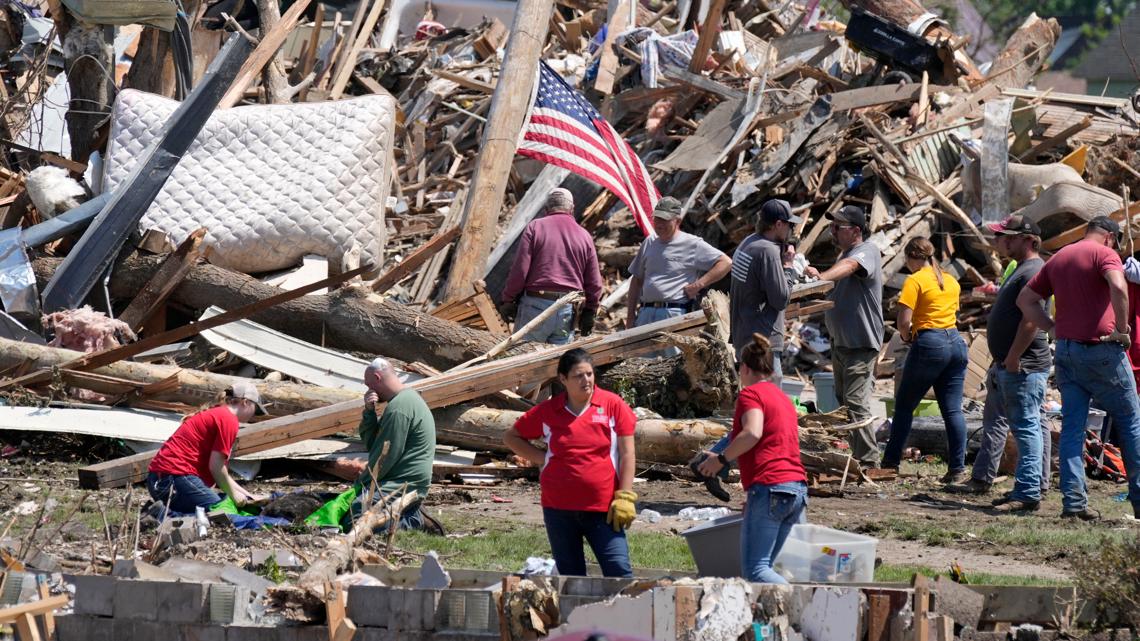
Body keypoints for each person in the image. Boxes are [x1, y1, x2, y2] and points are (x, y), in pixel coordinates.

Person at [1015, 216, 1140, 521]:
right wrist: (1122, 330)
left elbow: (1026, 300)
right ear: (1110, 237)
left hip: (1067, 352)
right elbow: (1118, 287)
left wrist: (1053, 328)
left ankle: (1073, 503)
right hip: (1101, 349)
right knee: (1130, 420)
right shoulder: (1105, 253)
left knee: (1073, 426)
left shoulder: (1059, 258)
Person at [503, 349, 638, 577]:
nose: (586, 380)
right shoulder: (549, 410)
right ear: (563, 379)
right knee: (570, 577)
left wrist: (624, 496)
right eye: (578, 375)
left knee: (619, 572)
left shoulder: (613, 405)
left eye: (589, 374)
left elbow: (627, 454)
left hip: (602, 508)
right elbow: (511, 437)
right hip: (558, 509)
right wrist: (543, 459)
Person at [949, 216, 1052, 504]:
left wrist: (1014, 358)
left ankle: (1029, 491)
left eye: (1006, 236)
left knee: (1026, 427)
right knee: (1029, 424)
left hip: (1022, 364)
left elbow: (1031, 322)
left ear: (1027, 240)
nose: (999, 241)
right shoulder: (1021, 269)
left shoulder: (1033, 271)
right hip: (1011, 363)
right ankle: (1031, 486)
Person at [697, 333, 807, 584]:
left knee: (756, 572)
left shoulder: (751, 395)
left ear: (744, 367)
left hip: (771, 489)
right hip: (795, 490)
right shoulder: (783, 399)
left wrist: (721, 460)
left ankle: (807, 604)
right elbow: (772, 444)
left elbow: (753, 433)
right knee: (766, 567)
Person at [880, 238, 968, 483]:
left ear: (912, 257)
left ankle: (890, 463)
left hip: (930, 343)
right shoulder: (950, 280)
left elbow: (903, 321)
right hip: (956, 343)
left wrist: (908, 337)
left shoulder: (915, 280)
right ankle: (957, 469)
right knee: (952, 410)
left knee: (905, 406)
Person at [805, 205, 883, 467]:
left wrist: (822, 279)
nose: (833, 231)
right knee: (844, 401)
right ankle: (859, 456)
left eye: (839, 227)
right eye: (832, 226)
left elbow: (850, 267)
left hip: (860, 342)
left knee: (855, 401)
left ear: (857, 231)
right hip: (843, 342)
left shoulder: (866, 251)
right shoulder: (846, 252)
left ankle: (869, 461)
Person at [344, 358, 437, 531]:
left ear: (377, 378)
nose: (368, 389)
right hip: (398, 480)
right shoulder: (400, 401)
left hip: (405, 483)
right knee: (354, 509)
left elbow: (385, 457)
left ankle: (415, 521)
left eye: (369, 384)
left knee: (355, 517)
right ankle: (407, 513)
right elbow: (373, 444)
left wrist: (361, 484)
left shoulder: (399, 408)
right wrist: (369, 412)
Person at [146, 381, 267, 514]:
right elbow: (216, 468)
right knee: (221, 513)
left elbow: (221, 472)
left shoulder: (218, 413)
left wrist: (248, 496)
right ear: (245, 402)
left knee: (226, 505)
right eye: (255, 408)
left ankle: (162, 512)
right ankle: (162, 515)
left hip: (161, 480)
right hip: (174, 478)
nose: (254, 414)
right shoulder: (228, 419)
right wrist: (234, 495)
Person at [501, 188, 603, 344]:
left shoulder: (535, 227)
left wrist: (508, 299)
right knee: (557, 364)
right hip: (566, 311)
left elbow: (520, 271)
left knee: (522, 361)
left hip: (535, 308)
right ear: (572, 209)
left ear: (546, 209)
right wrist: (590, 310)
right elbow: (595, 283)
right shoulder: (584, 236)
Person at [626, 196, 731, 331]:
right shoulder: (649, 242)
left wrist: (699, 284)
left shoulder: (692, 243)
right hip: (645, 313)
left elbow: (726, 262)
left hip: (674, 314)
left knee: (675, 353)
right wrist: (630, 317)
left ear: (678, 221)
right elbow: (637, 280)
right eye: (657, 218)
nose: (659, 223)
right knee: (640, 353)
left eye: (665, 219)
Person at [728, 198, 801, 367]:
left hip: (745, 334)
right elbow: (781, 299)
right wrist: (788, 267)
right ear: (778, 224)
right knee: (767, 392)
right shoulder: (768, 251)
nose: (792, 230)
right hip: (762, 340)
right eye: (790, 225)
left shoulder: (749, 241)